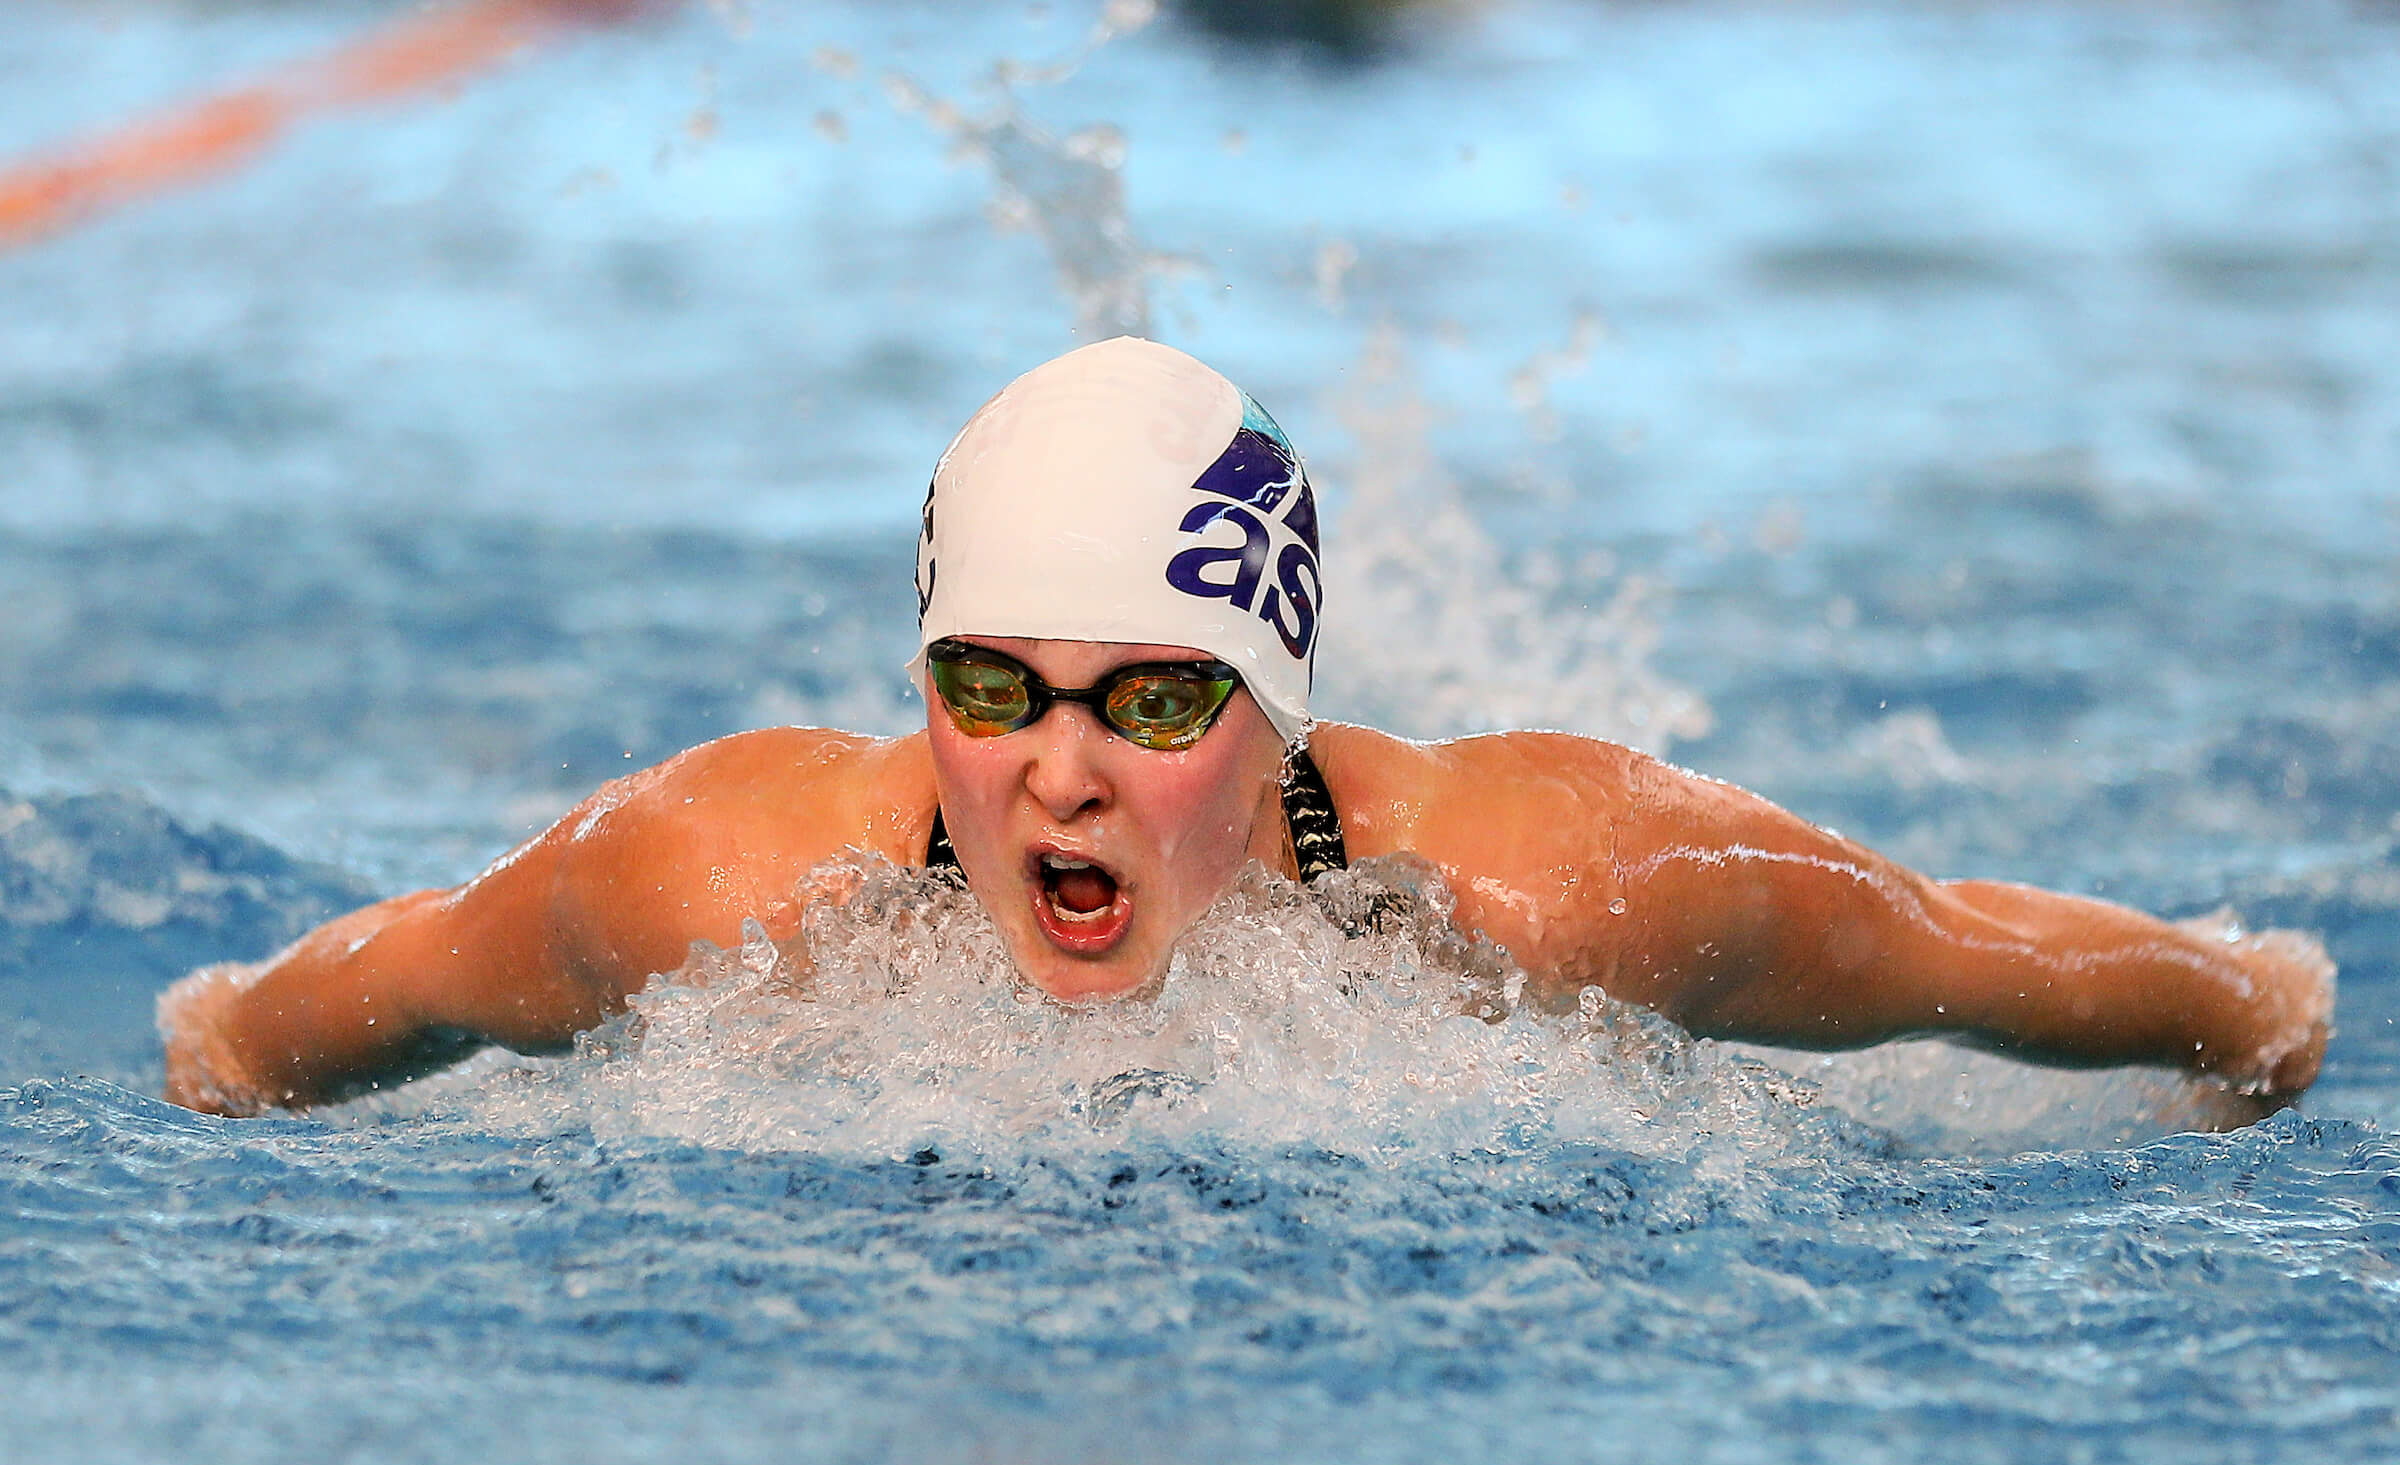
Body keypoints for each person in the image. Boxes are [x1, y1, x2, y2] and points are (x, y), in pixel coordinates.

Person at [159, 337, 2335, 1117]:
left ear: (1276, 714)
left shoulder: (1534, 889)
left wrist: (2247, 1006)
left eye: (1155, 699)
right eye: (995, 694)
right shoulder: (729, 883)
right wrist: (221, 1046)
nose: (1063, 770)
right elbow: (363, 990)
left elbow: (1954, 945)